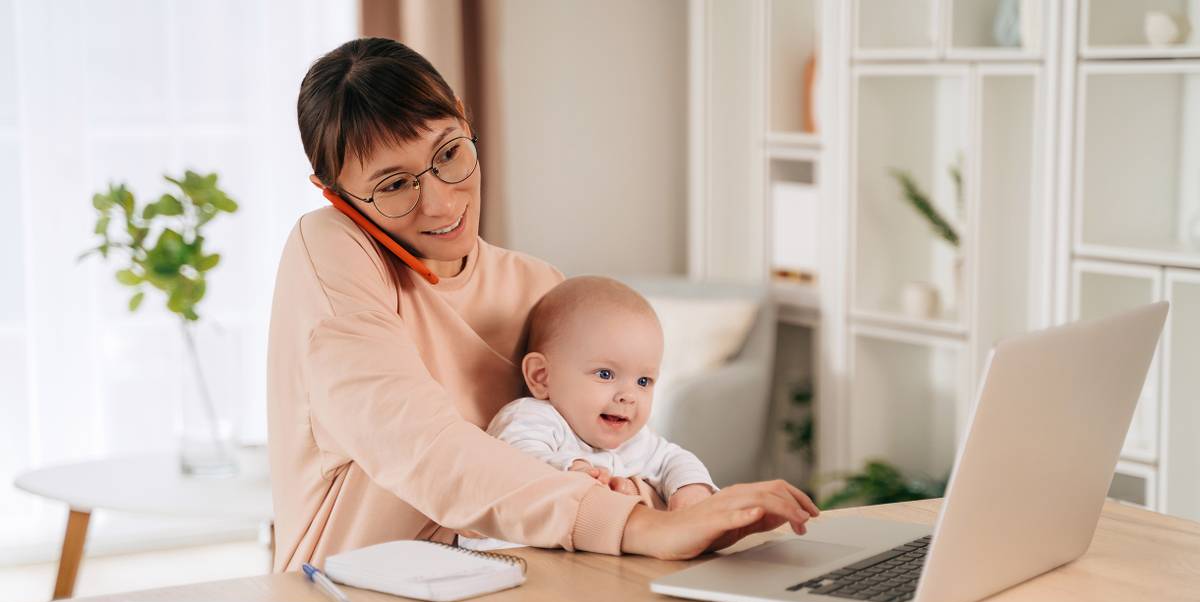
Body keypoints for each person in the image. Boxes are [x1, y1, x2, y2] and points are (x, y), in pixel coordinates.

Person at [267, 37, 819, 572]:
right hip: (357, 601)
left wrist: (662, 498)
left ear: (464, 118)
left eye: (450, 152)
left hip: (518, 587)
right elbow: (423, 448)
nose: (440, 202)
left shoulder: (537, 286)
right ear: (335, 196)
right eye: (393, 185)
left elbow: (603, 459)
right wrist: (633, 523)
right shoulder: (331, 248)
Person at [487, 276, 717, 510]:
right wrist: (573, 468)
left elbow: (674, 460)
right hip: (510, 545)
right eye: (605, 374)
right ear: (542, 376)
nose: (629, 396)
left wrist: (691, 490)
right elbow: (516, 463)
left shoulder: (636, 442)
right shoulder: (532, 417)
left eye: (643, 381)